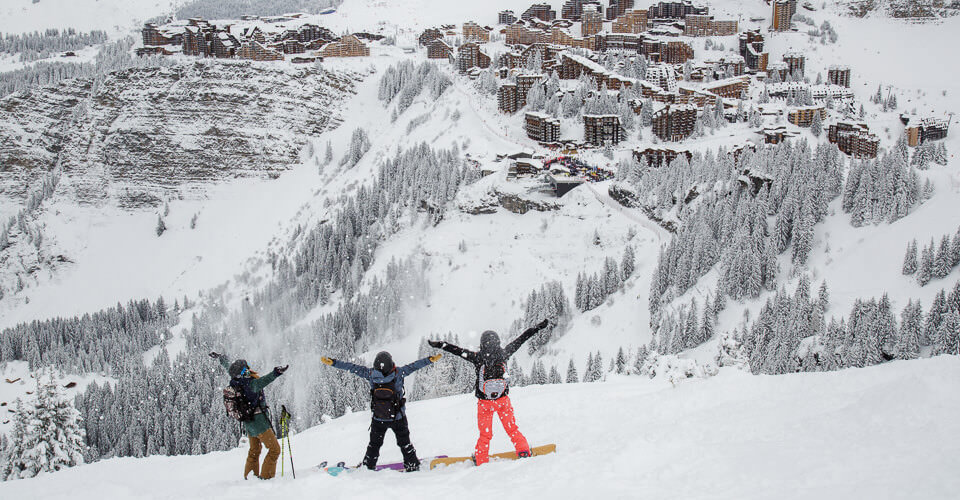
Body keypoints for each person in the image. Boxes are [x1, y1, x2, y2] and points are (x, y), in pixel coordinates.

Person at [427, 319, 550, 465]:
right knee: (512, 429)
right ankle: (523, 450)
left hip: (485, 403)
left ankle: (481, 459)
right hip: (502, 401)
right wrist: (537, 327)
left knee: (485, 435)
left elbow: (457, 351)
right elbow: (522, 338)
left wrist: (440, 344)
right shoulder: (504, 353)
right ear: (497, 341)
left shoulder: (477, 357)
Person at [320, 351, 441, 471]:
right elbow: (414, 366)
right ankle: (412, 464)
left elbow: (351, 367)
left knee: (374, 445)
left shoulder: (371, 374)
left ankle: (368, 467)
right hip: (398, 417)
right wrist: (429, 360)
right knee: (405, 443)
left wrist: (334, 363)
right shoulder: (398, 373)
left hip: (379, 418)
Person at [209, 352, 288, 480]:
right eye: (246, 369)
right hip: (259, 423)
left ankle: (250, 478)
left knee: (254, 451)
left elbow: (229, 367)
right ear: (243, 371)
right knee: (274, 450)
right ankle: (265, 478)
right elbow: (265, 380)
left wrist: (221, 358)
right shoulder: (250, 384)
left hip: (249, 423)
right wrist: (276, 372)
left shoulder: (236, 381)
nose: (248, 370)